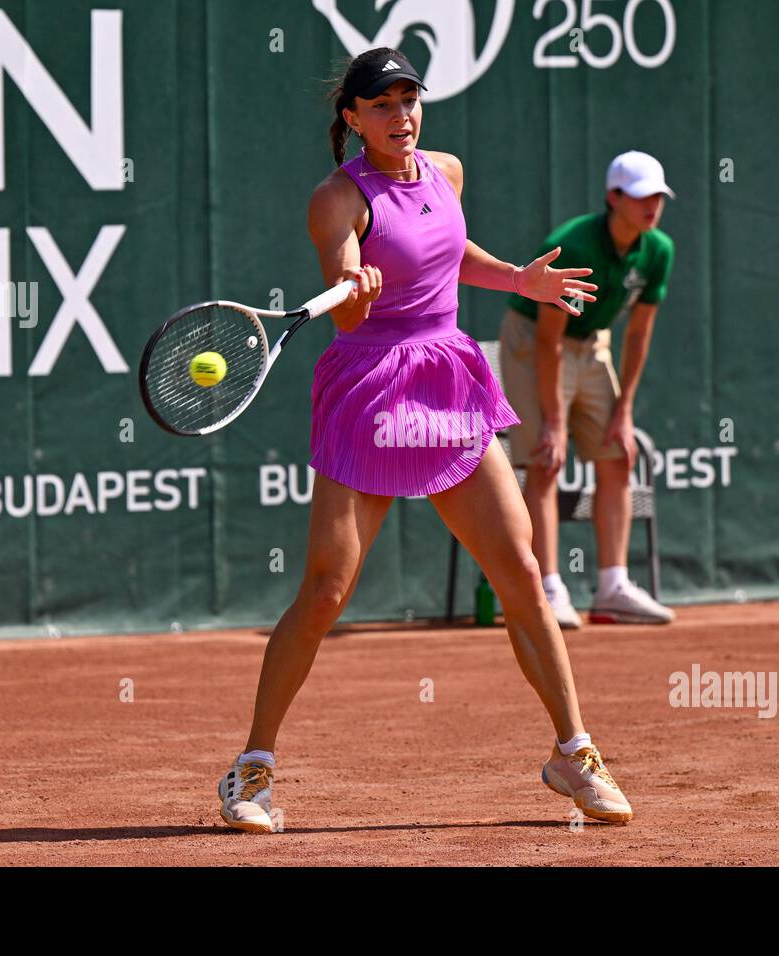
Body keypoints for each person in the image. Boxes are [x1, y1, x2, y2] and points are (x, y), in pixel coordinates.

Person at [216, 47, 633, 832]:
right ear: (353, 118)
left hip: (446, 377)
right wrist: (356, 289)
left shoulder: (446, 168)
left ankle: (573, 755)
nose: (401, 116)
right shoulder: (336, 198)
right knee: (326, 590)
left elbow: (449, 254)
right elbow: (344, 297)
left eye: (410, 100)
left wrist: (518, 279)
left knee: (521, 569)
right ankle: (252, 770)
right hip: (370, 387)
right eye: (381, 106)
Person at [499, 151, 677, 629]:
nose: (651, 207)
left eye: (657, 197)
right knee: (546, 457)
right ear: (613, 197)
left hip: (592, 343)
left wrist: (624, 410)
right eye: (641, 197)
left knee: (619, 453)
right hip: (535, 342)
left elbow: (638, 334)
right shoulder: (573, 246)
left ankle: (612, 587)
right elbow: (548, 341)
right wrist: (555, 422)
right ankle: (549, 589)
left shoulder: (658, 250)